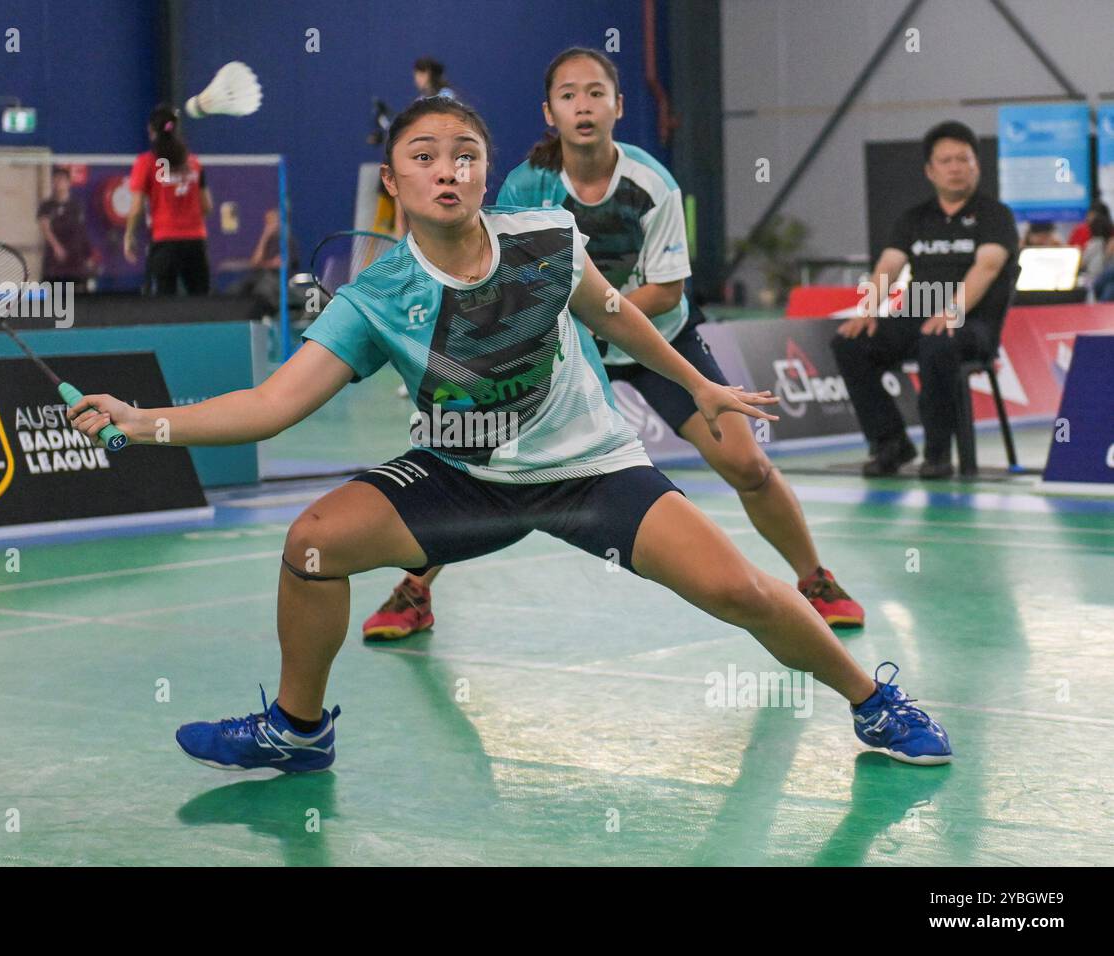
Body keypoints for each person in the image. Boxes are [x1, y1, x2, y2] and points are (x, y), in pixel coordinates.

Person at [68, 96, 953, 770]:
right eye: (424, 157)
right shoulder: (374, 297)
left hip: (592, 468)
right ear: (395, 182)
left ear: (487, 172)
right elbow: (274, 404)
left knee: (741, 592)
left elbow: (616, 318)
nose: (447, 170)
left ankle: (871, 699)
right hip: (461, 477)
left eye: (465, 155)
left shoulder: (546, 239)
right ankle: (298, 731)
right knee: (311, 544)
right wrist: (142, 424)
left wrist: (698, 384)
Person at [363, 48, 864, 642]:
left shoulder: (652, 183)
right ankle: (415, 589)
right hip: (558, 348)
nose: (583, 105)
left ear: (618, 107)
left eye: (596, 93)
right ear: (549, 112)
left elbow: (666, 288)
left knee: (746, 463)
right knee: (485, 458)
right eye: (569, 95)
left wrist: (589, 317)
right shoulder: (530, 185)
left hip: (655, 338)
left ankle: (814, 579)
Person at [832, 120, 1018, 479]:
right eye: (945, 161)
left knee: (937, 342)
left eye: (963, 159)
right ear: (930, 171)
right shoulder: (914, 219)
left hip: (971, 324)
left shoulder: (995, 216)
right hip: (917, 315)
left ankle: (937, 453)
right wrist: (867, 311)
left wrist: (953, 312)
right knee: (849, 343)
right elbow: (888, 266)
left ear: (976, 166)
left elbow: (989, 266)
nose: (955, 168)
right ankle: (891, 444)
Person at [125, 105, 212, 295]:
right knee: (203, 306)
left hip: (165, 242)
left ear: (151, 130)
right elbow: (207, 206)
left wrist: (129, 235)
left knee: (163, 309)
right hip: (196, 242)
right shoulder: (194, 162)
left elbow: (137, 207)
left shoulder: (146, 162)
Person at [235, 208, 302, 321]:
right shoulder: (267, 241)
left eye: (272, 222)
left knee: (262, 290)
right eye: (267, 222)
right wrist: (264, 237)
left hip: (278, 281)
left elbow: (279, 264)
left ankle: (262, 318)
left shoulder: (287, 241)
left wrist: (263, 264)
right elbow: (255, 263)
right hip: (260, 277)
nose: (269, 226)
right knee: (237, 289)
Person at [37, 167, 94, 283]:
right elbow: (45, 228)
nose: (58, 183)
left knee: (77, 289)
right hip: (55, 258)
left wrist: (88, 254)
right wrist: (56, 247)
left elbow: (81, 230)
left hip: (75, 256)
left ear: (68, 183)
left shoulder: (76, 205)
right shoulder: (47, 206)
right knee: (54, 292)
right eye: (55, 180)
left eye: (61, 180)